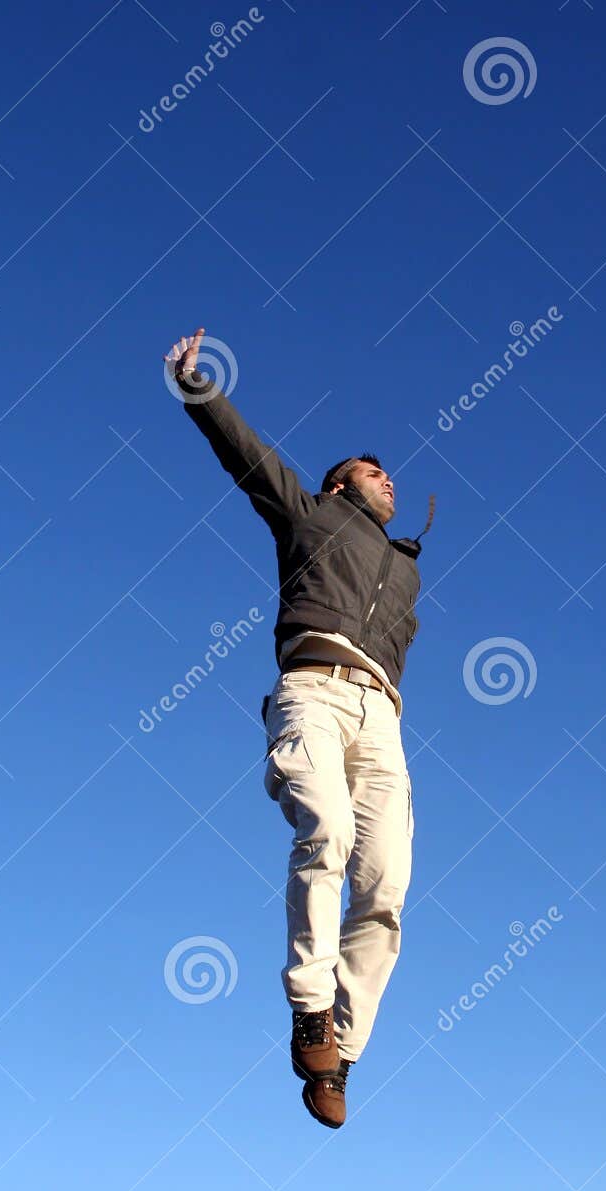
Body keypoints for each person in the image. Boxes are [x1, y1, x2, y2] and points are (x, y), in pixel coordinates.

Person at [166, 328, 433, 1129]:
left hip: (381, 713)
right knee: (327, 829)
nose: (387, 480)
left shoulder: (407, 567)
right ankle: (311, 1009)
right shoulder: (309, 516)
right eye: (371, 470)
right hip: (312, 689)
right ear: (338, 484)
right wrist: (196, 385)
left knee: (385, 883)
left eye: (389, 474)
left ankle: (341, 1056)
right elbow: (246, 455)